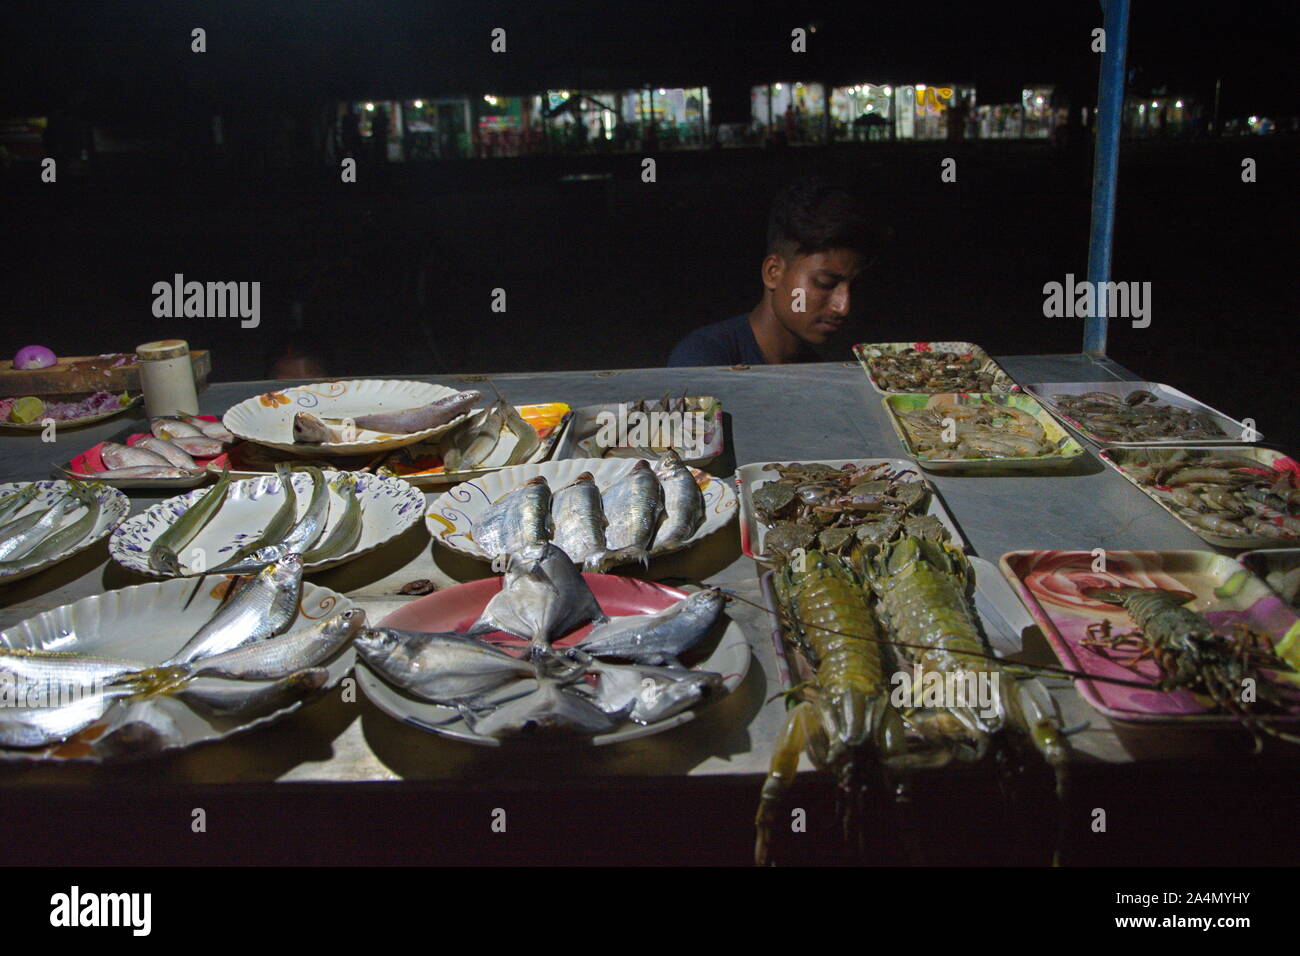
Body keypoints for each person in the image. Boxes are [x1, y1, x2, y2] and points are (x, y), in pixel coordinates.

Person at [668, 177, 872, 367]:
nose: (843, 307)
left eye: (854, 287)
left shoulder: (814, 370)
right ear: (773, 272)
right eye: (824, 283)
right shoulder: (702, 359)